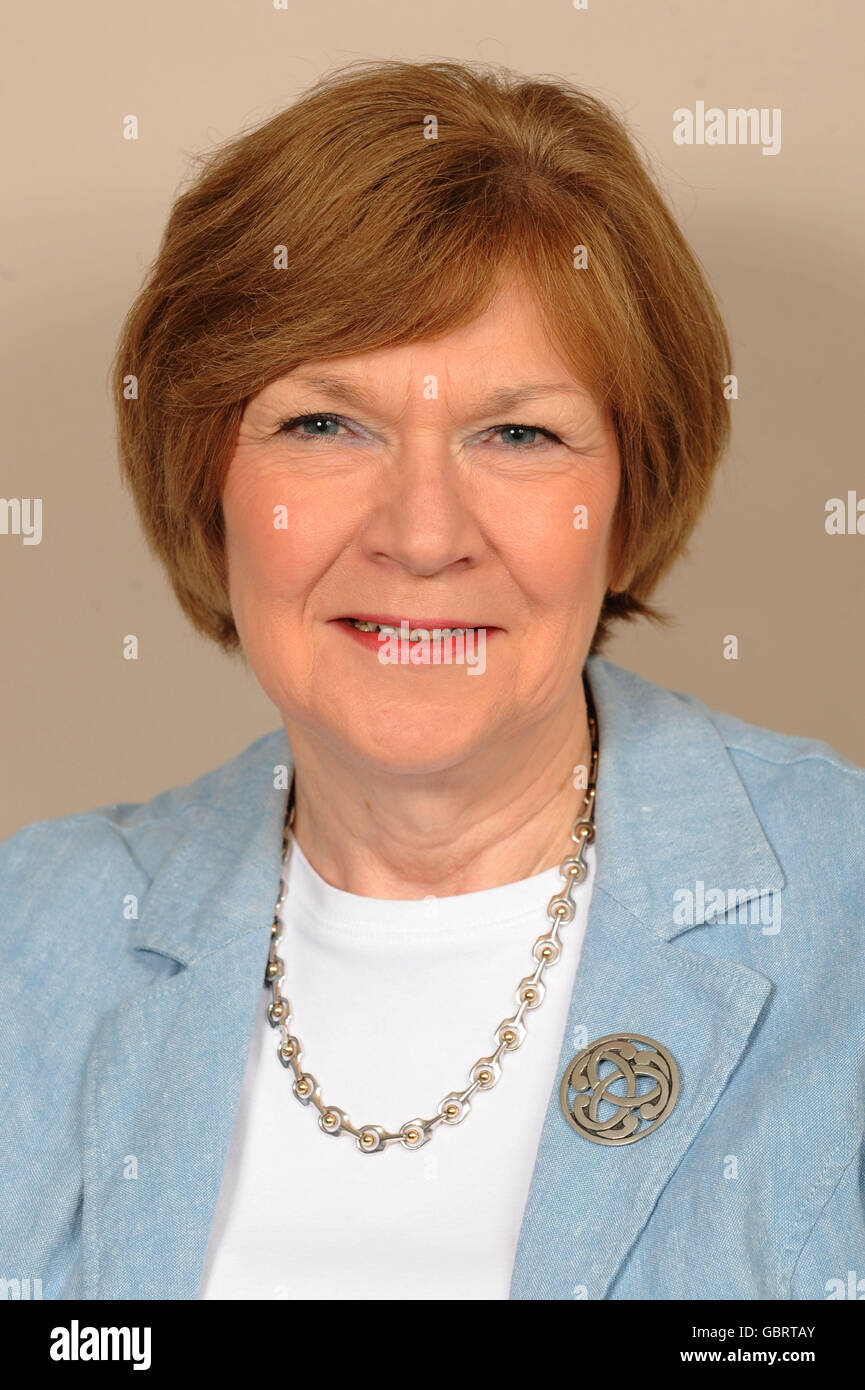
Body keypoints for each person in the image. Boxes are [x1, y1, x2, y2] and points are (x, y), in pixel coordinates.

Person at [1, 58, 862, 1302]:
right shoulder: (34, 930)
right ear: (207, 485)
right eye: (323, 424)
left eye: (517, 434)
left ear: (626, 508)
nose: (420, 534)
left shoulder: (842, 914)